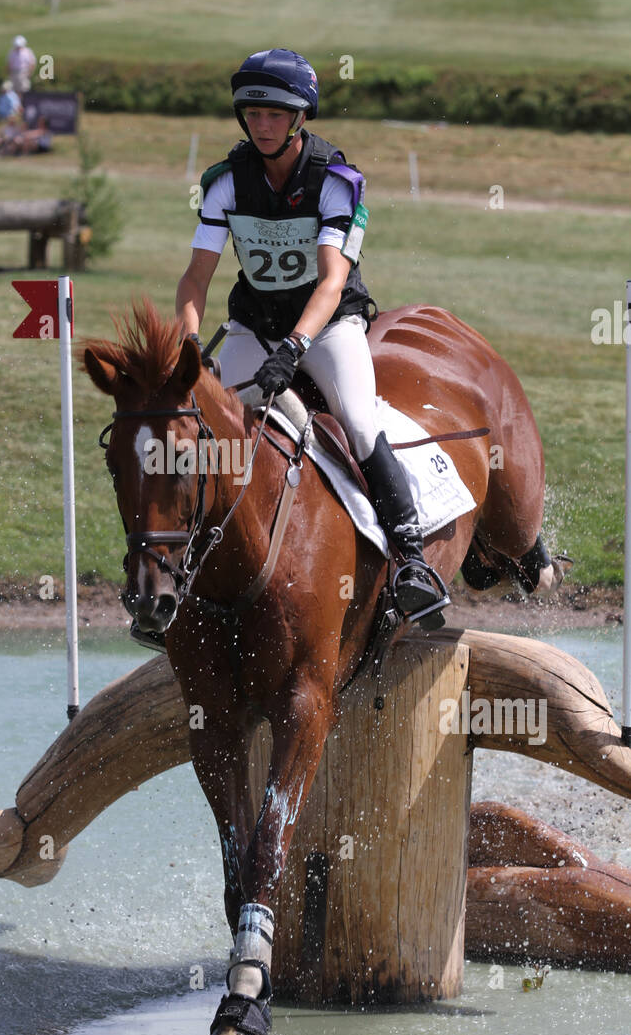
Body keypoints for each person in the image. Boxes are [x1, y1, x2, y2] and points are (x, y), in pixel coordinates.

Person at [174, 47, 448, 628]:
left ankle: (412, 561)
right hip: (254, 322)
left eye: (276, 114)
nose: (262, 125)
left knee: (356, 417)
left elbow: (331, 281)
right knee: (213, 424)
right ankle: (185, 568)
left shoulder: (336, 182)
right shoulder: (225, 182)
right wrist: (191, 344)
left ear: (301, 118)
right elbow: (196, 277)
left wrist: (295, 348)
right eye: (253, 114)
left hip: (326, 325)